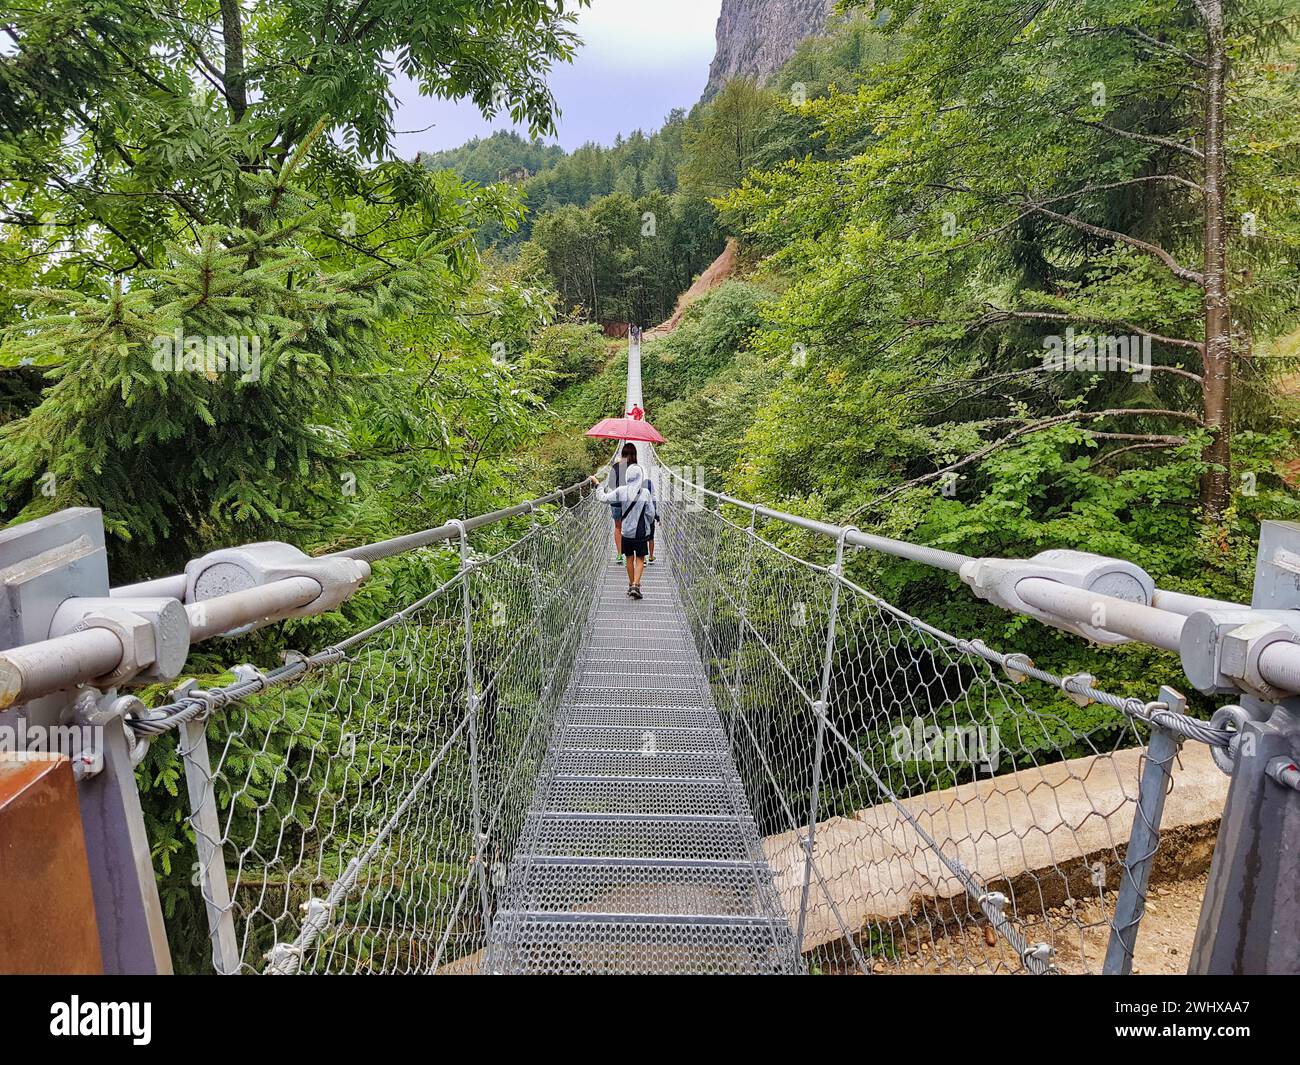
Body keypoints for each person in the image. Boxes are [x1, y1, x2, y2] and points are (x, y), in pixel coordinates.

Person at [592, 444, 656, 599]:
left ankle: (630, 584)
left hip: (626, 532)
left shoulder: (621, 491)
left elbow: (603, 498)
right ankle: (636, 584)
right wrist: (647, 527)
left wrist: (598, 485)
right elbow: (650, 514)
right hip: (641, 532)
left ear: (627, 476)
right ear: (640, 476)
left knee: (629, 559)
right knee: (640, 559)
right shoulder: (646, 492)